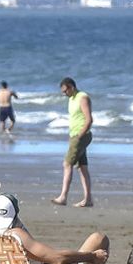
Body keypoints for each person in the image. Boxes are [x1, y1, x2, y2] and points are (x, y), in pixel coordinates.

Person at [52, 77, 93, 207]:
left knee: (67, 164)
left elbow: (89, 119)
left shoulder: (82, 97)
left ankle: (63, 196)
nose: (64, 94)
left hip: (81, 135)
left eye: (65, 91)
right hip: (74, 135)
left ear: (71, 87)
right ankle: (88, 199)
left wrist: (80, 136)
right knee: (82, 167)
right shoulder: (71, 99)